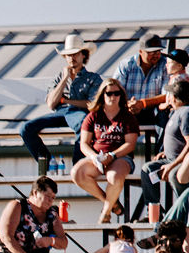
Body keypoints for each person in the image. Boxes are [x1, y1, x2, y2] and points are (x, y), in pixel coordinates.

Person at [20, 34, 103, 164]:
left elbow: (92, 104)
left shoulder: (93, 78)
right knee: (26, 128)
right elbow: (51, 103)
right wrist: (64, 79)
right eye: (69, 55)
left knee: (83, 124)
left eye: (75, 54)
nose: (72, 58)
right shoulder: (59, 77)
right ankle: (46, 164)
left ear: (83, 55)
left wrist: (66, 101)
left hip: (78, 113)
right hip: (60, 113)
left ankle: (78, 166)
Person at [71, 79, 140, 223]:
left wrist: (113, 155)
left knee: (114, 177)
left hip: (121, 157)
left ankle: (106, 213)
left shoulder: (127, 117)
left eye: (117, 93)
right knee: (77, 173)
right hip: (97, 157)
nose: (113, 97)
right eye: (109, 93)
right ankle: (112, 203)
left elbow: (130, 144)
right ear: (102, 95)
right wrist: (95, 157)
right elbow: (83, 143)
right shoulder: (93, 116)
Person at [139, 80, 189, 211]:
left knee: (174, 175)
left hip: (181, 161)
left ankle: (183, 211)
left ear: (175, 97)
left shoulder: (185, 112)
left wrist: (172, 164)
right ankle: (154, 211)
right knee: (148, 170)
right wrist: (166, 152)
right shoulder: (175, 112)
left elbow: (188, 143)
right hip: (169, 159)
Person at [113, 33, 169, 127]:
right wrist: (128, 104)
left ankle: (162, 142)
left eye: (158, 51)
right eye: (150, 52)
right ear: (140, 51)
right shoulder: (126, 65)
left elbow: (166, 95)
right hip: (128, 108)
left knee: (165, 115)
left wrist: (143, 103)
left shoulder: (165, 65)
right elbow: (115, 90)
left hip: (155, 109)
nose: (155, 55)